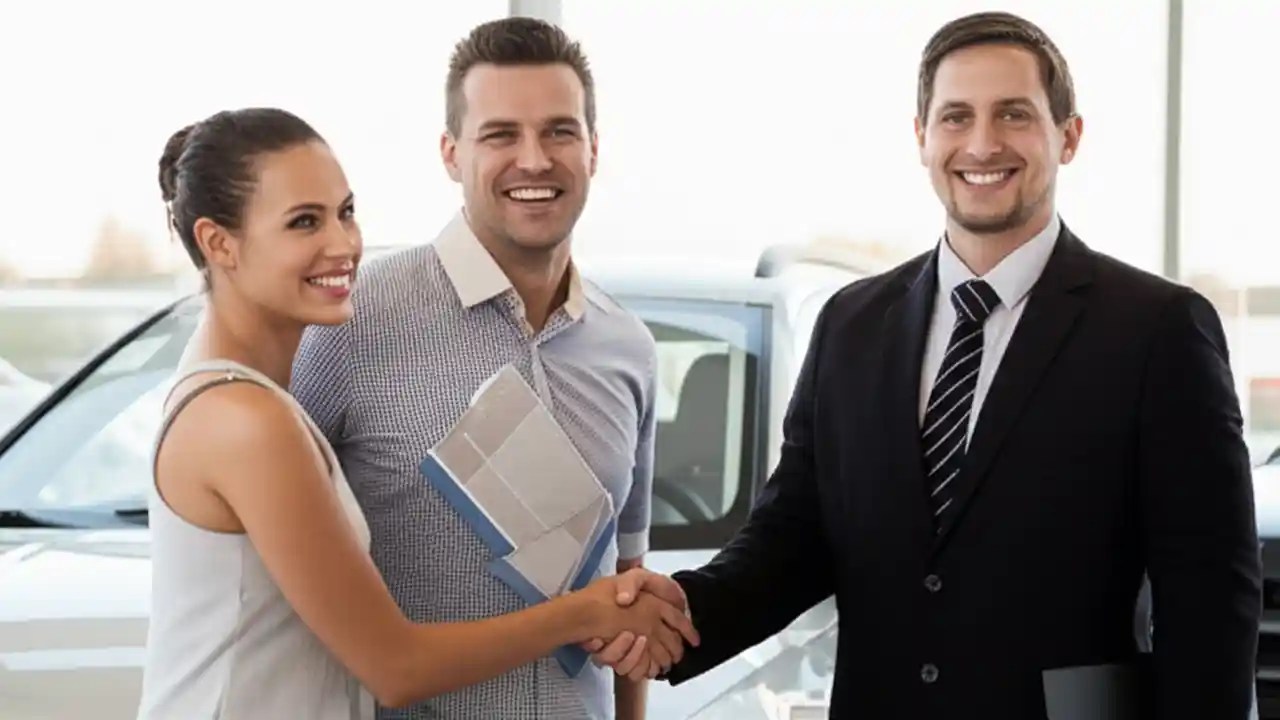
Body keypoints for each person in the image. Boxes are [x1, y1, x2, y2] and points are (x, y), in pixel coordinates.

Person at [591, 11, 1262, 719]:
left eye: (1013, 115)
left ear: (1068, 136)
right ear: (921, 137)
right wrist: (681, 614)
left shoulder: (1157, 331)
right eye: (955, 117)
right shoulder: (851, 326)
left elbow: (1211, 604)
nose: (981, 143)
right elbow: (791, 541)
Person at [138, 107, 695, 720]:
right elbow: (397, 667)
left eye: (345, 212)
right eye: (304, 222)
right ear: (218, 243)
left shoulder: (249, 398)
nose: (343, 244)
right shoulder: (246, 422)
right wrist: (588, 610)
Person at [290, 17, 676, 720]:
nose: (534, 159)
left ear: (594, 150)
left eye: (560, 131)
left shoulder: (629, 347)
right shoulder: (351, 325)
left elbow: (627, 580)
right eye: (501, 135)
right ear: (450, 153)